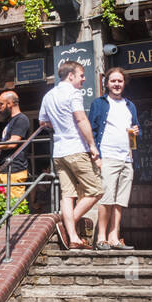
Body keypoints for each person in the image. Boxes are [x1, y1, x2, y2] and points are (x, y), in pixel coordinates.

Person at [38, 59, 102, 250]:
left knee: (68, 195)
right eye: (81, 75)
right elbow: (81, 119)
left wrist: (59, 126)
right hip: (76, 147)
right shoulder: (74, 93)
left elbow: (43, 122)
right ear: (71, 75)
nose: (84, 79)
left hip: (59, 151)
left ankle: (73, 238)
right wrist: (92, 145)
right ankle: (68, 224)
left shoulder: (48, 95)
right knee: (96, 190)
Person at [88, 68, 140, 250]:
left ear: (124, 83)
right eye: (113, 81)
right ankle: (101, 237)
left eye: (120, 81)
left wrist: (135, 132)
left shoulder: (130, 105)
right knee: (107, 198)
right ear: (107, 83)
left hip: (126, 158)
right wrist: (96, 156)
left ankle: (114, 237)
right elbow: (91, 131)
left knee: (120, 201)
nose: (117, 84)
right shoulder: (99, 104)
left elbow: (134, 129)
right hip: (108, 156)